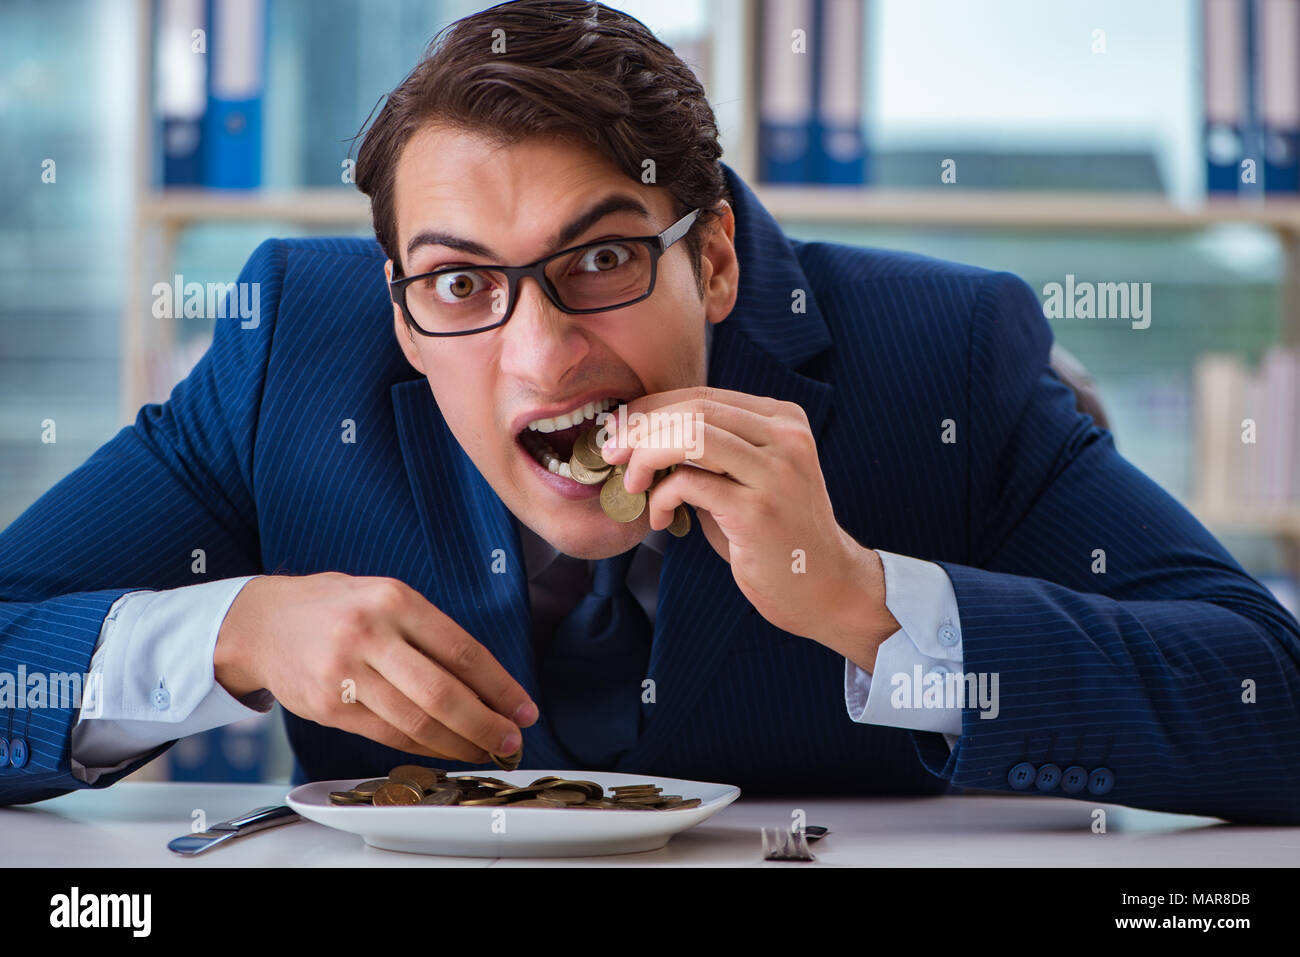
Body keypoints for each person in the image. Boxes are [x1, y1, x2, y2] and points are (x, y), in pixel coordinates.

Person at [1, 0, 1297, 824]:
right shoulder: (294, 348)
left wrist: (873, 605)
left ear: (717, 259)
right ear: (399, 309)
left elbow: (1269, 699)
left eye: (604, 259)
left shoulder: (944, 357)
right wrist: (232, 629)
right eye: (460, 282)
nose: (544, 354)